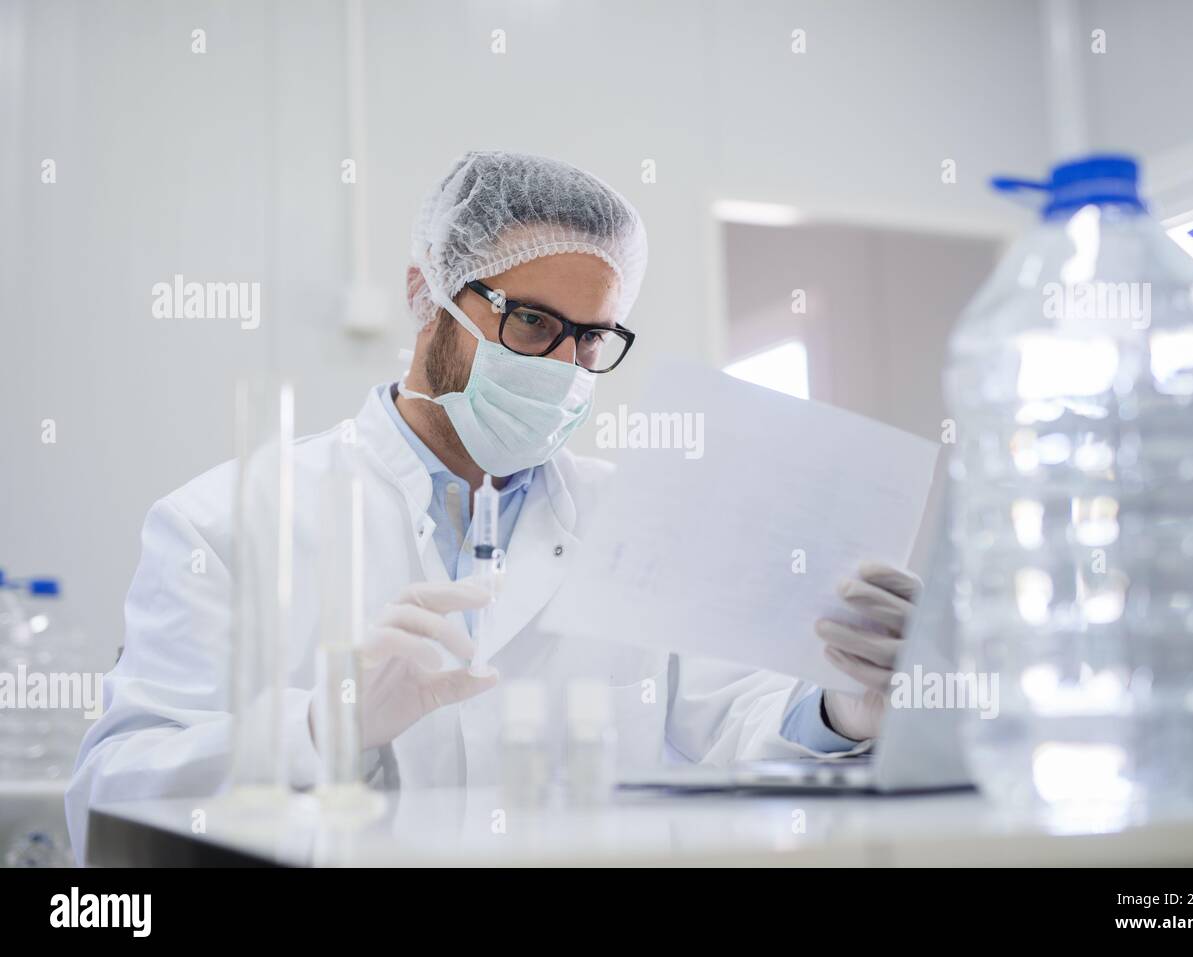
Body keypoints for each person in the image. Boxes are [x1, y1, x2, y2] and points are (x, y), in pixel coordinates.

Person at [65, 151, 921, 857]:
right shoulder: (227, 520)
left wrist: (842, 705)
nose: (563, 365)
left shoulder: (639, 517)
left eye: (592, 337)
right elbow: (108, 799)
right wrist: (326, 721)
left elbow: (735, 720)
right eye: (531, 322)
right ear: (425, 297)